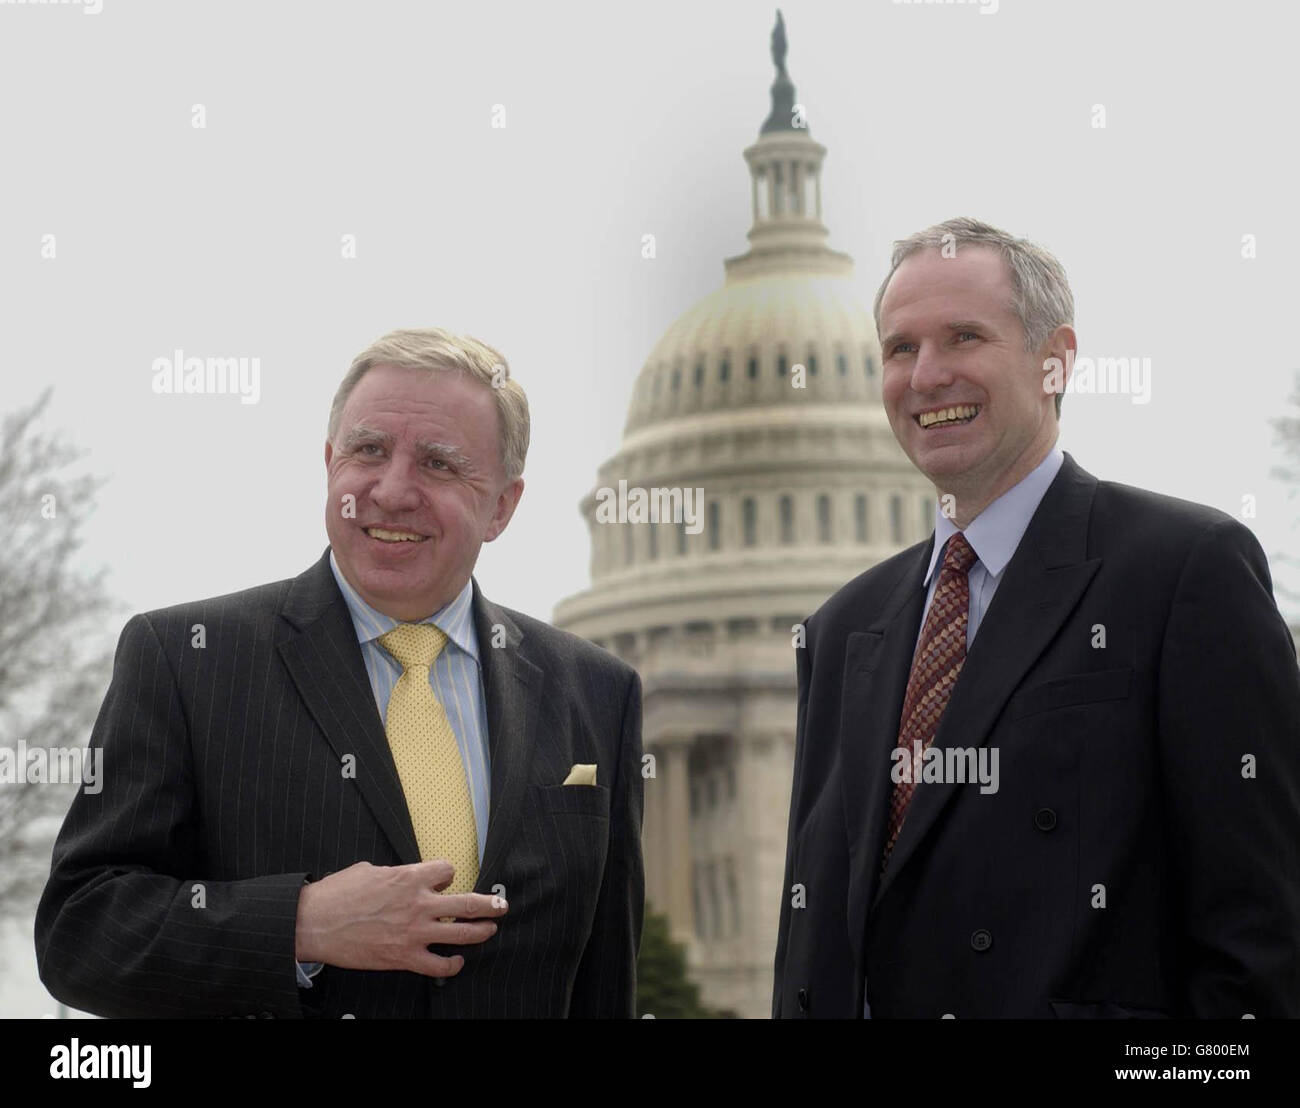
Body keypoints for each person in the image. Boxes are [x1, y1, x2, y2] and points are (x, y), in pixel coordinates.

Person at [771, 217, 1300, 1018]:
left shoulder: (1185, 570)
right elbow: (816, 940)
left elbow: (1262, 934)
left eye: (964, 337)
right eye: (900, 349)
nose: (926, 377)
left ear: (1057, 359)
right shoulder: (845, 628)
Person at [36, 327, 644, 1018]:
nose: (391, 491)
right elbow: (78, 933)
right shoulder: (186, 659)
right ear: (330, 463)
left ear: (502, 505)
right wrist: (300, 925)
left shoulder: (598, 693)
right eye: (368, 451)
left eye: (440, 465)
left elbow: (605, 983)